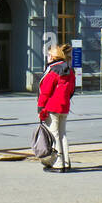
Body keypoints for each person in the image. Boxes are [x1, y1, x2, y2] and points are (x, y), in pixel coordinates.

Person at [37, 44, 77, 173]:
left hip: (51, 107)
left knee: (54, 135)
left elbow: (45, 91)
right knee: (62, 135)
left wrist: (40, 107)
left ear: (54, 56)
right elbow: (71, 90)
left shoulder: (53, 70)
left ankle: (58, 164)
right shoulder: (69, 70)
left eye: (49, 55)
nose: (47, 57)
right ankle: (66, 162)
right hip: (64, 106)